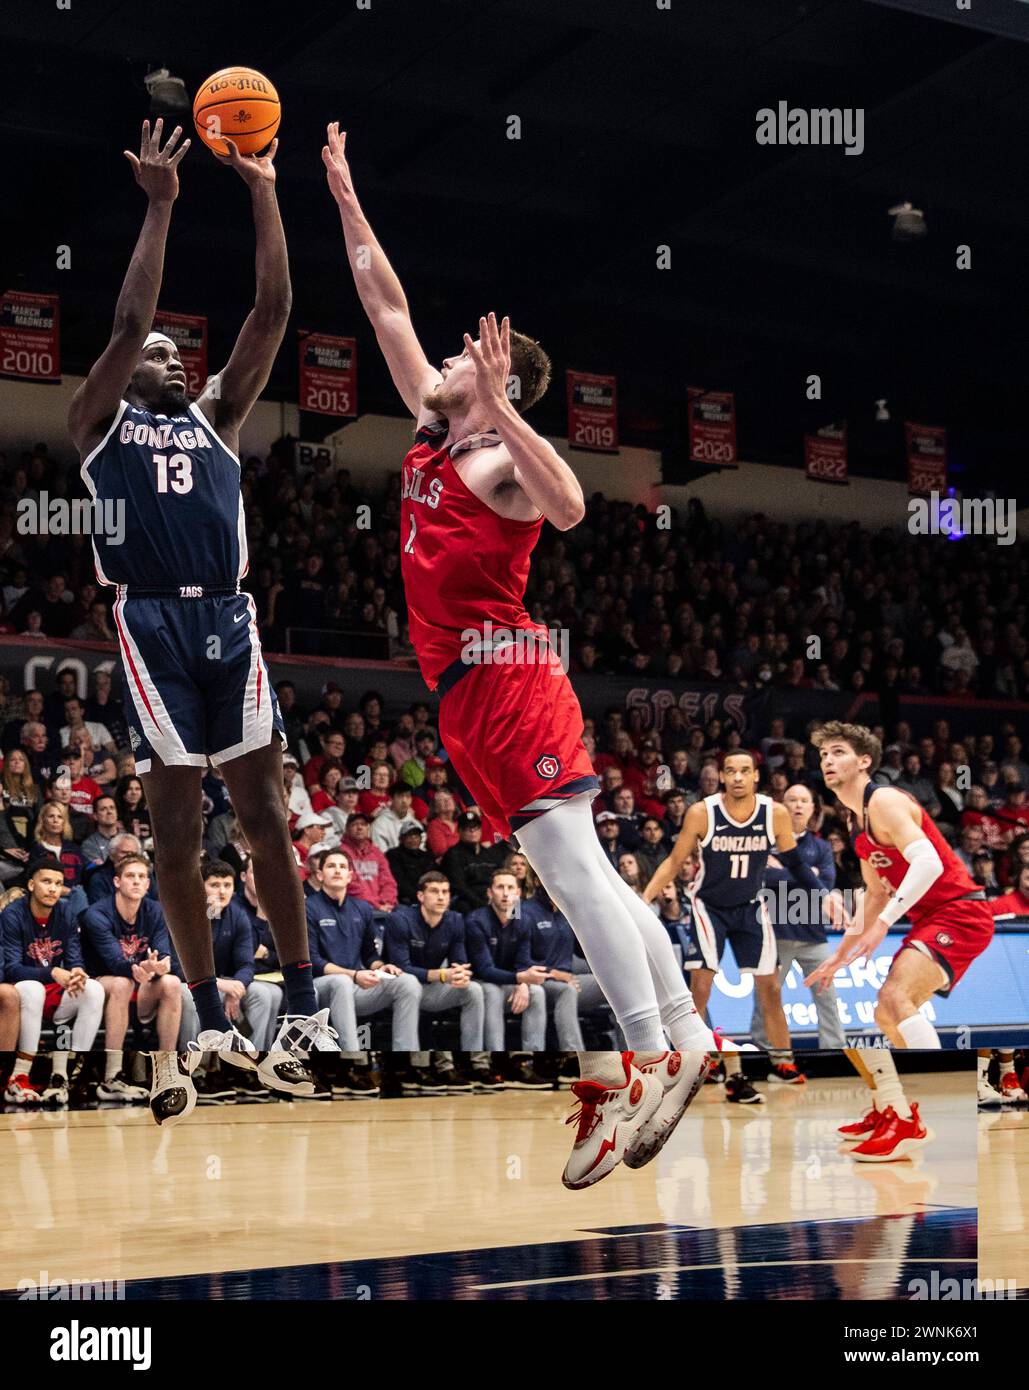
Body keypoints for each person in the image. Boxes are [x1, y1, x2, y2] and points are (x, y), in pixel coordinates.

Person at [325, 124, 713, 1189]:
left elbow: (576, 506)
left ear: (495, 384)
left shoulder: (496, 457)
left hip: (511, 677)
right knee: (571, 869)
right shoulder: (426, 425)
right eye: (454, 361)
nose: (443, 358)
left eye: (463, 359)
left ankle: (654, 1048)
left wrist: (500, 405)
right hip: (463, 693)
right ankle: (684, 1029)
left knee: (578, 870)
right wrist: (349, 195)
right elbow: (383, 304)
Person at [69, 117, 334, 1124]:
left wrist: (263, 186)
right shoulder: (98, 420)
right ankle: (214, 1016)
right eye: (162, 353)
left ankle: (303, 1009)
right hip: (151, 627)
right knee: (177, 834)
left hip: (230, 621)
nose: (176, 359)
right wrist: (160, 205)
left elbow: (273, 309)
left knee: (266, 816)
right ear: (131, 366)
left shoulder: (217, 418)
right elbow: (133, 314)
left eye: (185, 354)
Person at [642, 751, 826, 1098]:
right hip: (709, 906)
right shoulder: (702, 812)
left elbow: (797, 865)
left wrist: (825, 897)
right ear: (722, 777)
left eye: (745, 771)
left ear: (756, 776)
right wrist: (645, 900)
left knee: (771, 988)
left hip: (751, 907)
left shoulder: (775, 813)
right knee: (700, 988)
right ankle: (688, 1063)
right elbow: (674, 860)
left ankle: (783, 1062)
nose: (738, 777)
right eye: (731, 771)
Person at [807, 721, 995, 1058]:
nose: (827, 761)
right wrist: (840, 954)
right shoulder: (854, 821)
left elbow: (929, 863)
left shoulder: (884, 801)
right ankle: (917, 1096)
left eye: (838, 752)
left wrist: (883, 924)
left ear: (864, 761)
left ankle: (937, 1084)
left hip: (960, 911)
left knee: (895, 997)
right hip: (932, 917)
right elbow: (877, 893)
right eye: (823, 754)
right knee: (885, 1013)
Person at [1, 857, 105, 1105]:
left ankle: (64, 1075)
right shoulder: (13, 915)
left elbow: (74, 956)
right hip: (25, 989)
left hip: (55, 990)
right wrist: (53, 974)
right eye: (46, 881)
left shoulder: (66, 913)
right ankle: (19, 1076)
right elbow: (13, 969)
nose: (52, 888)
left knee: (93, 989)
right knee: (35, 989)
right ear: (30, 884)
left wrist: (78, 971)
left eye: (58, 883)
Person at [750, 784, 846, 1052]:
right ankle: (762, 1048)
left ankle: (834, 1050)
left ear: (813, 808)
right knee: (766, 997)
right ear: (782, 805)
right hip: (774, 935)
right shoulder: (764, 843)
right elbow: (763, 879)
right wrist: (806, 875)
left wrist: (785, 872)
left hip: (814, 937)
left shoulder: (822, 847)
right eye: (792, 800)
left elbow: (825, 884)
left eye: (804, 800)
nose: (798, 805)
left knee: (827, 997)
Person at [80, 853, 182, 1095]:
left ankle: (166, 1071)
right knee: (122, 983)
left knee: (172, 983)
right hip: (99, 984)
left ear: (148, 884)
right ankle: (111, 1075)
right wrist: (143, 968)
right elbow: (115, 963)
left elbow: (163, 953)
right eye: (130, 876)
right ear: (117, 882)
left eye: (142, 877)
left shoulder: (155, 910)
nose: (136, 882)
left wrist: (162, 966)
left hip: (142, 983)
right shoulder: (97, 914)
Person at [305, 847, 421, 1051]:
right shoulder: (308, 907)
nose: (338, 871)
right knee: (341, 982)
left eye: (343, 867)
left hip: (355, 985)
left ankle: (405, 1051)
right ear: (320, 875)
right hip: (321, 988)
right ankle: (353, 1057)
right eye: (331, 866)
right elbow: (313, 960)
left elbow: (370, 954)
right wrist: (354, 974)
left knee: (408, 983)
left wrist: (381, 967)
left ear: (350, 876)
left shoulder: (363, 908)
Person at [384, 870, 486, 1054]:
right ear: (420, 896)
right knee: (410, 984)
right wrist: (440, 974)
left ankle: (474, 1054)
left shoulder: (455, 920)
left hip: (430, 989)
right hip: (397, 989)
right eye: (434, 891)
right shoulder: (399, 919)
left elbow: (459, 962)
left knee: (473, 990)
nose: (441, 897)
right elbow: (401, 967)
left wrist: (460, 975)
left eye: (445, 892)